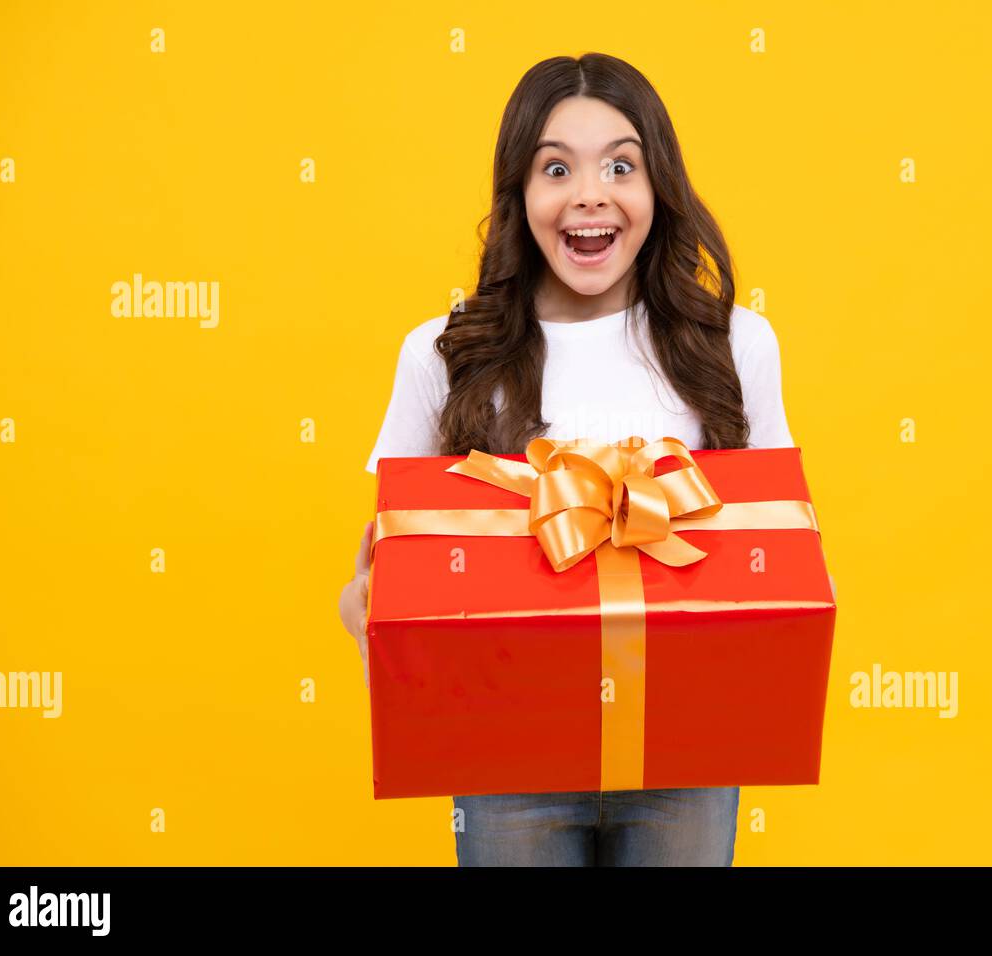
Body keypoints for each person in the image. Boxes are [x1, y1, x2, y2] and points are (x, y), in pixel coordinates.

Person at [338, 52, 801, 866]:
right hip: (503, 752)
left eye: (621, 165)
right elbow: (383, 567)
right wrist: (372, 611)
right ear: (521, 193)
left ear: (658, 186)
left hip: (688, 751)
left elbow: (779, 542)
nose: (591, 192)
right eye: (558, 168)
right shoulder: (443, 352)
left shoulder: (734, 343)